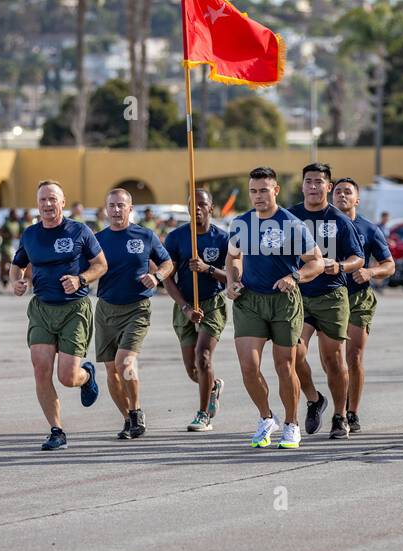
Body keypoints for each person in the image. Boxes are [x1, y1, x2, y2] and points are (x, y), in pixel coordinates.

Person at [224, 166, 324, 449]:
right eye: (253, 191)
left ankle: (292, 423)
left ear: (276, 190)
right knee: (248, 366)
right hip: (249, 301)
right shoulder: (241, 223)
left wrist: (295, 277)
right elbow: (233, 258)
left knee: (284, 366)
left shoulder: (292, 224)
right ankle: (266, 417)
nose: (258, 196)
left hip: (284, 302)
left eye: (263, 190)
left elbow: (316, 262)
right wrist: (232, 281)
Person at [10, 180, 106, 451]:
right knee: (41, 369)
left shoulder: (79, 231)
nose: (48, 204)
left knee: (67, 377)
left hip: (74, 309)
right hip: (41, 308)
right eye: (43, 200)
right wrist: (16, 282)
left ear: (63, 202)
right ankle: (57, 430)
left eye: (53, 199)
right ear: (37, 204)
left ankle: (86, 375)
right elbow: (17, 266)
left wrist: (81, 279)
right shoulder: (30, 234)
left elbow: (101, 265)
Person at [289, 163, 365, 439]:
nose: (312, 186)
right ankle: (314, 399)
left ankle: (340, 415)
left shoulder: (339, 220)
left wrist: (341, 266)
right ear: (302, 186)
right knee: (293, 354)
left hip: (332, 296)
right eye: (308, 181)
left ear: (327, 187)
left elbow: (359, 258)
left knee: (333, 360)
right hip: (298, 296)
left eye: (318, 182)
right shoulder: (290, 217)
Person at [94, 188, 173, 439]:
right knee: (110, 370)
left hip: (137, 308)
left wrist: (157, 276)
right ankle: (128, 419)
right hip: (106, 309)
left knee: (124, 362)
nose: (117, 210)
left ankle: (137, 411)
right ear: (106, 209)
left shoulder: (145, 235)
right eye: (112, 206)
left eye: (121, 205)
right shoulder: (97, 240)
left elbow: (167, 263)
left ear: (131, 208)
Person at [163, 189, 230, 431]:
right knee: (193, 370)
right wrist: (185, 307)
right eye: (193, 205)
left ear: (211, 208)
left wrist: (207, 269)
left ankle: (203, 415)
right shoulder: (176, 238)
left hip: (211, 304)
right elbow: (167, 279)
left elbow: (232, 278)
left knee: (203, 358)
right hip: (185, 305)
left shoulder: (222, 239)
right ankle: (212, 387)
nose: (197, 209)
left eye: (202, 205)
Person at [332, 177, 396, 432]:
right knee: (333, 360)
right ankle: (331, 401)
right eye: (337, 192)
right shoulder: (320, 226)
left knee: (354, 355)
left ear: (357, 199)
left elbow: (389, 265)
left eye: (348, 192)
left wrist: (371, 273)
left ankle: (352, 412)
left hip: (358, 297)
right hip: (327, 299)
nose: (342, 196)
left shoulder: (369, 229)